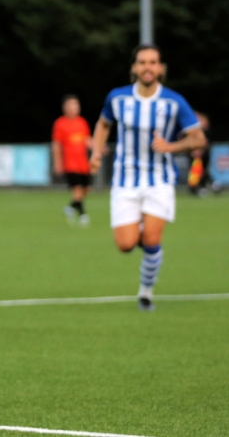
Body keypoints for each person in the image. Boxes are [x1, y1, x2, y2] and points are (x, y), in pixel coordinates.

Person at [89, 45, 206, 311]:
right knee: (126, 244)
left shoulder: (173, 101)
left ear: (161, 68)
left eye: (153, 62)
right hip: (125, 180)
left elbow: (199, 138)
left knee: (152, 239)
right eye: (142, 62)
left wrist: (171, 147)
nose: (148, 67)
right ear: (134, 68)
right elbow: (104, 123)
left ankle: (145, 293)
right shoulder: (117, 98)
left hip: (159, 180)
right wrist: (96, 151)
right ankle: (143, 230)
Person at [52, 95, 93, 226]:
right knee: (77, 189)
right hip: (70, 164)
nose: (75, 107)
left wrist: (99, 148)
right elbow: (57, 145)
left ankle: (70, 207)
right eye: (71, 104)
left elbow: (87, 140)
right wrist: (58, 163)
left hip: (83, 164)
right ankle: (83, 215)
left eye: (76, 104)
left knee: (86, 189)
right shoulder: (60, 123)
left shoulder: (82, 122)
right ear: (65, 107)